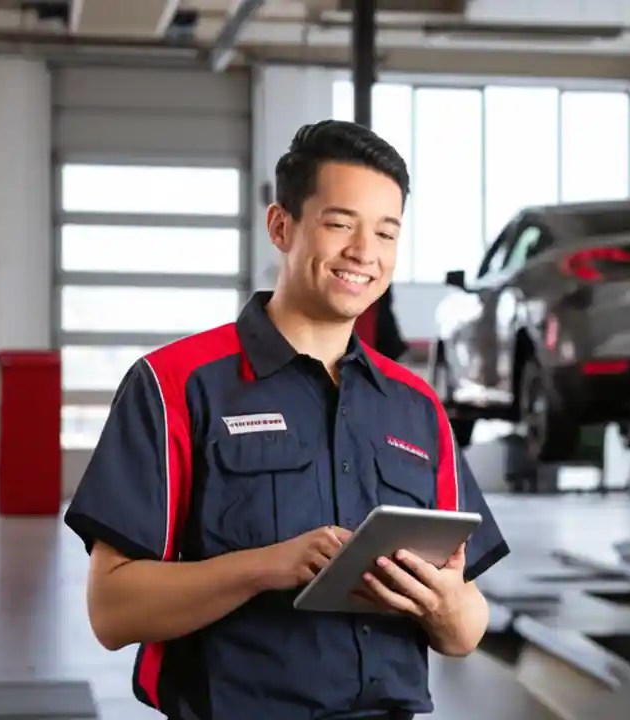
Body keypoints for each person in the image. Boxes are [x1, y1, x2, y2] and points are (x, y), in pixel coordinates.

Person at [63, 119, 510, 719]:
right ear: (282, 226)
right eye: (339, 223)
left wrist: (443, 606)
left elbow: (465, 633)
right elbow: (112, 612)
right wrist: (265, 567)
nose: (364, 253)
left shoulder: (415, 405)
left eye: (386, 233)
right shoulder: (176, 386)